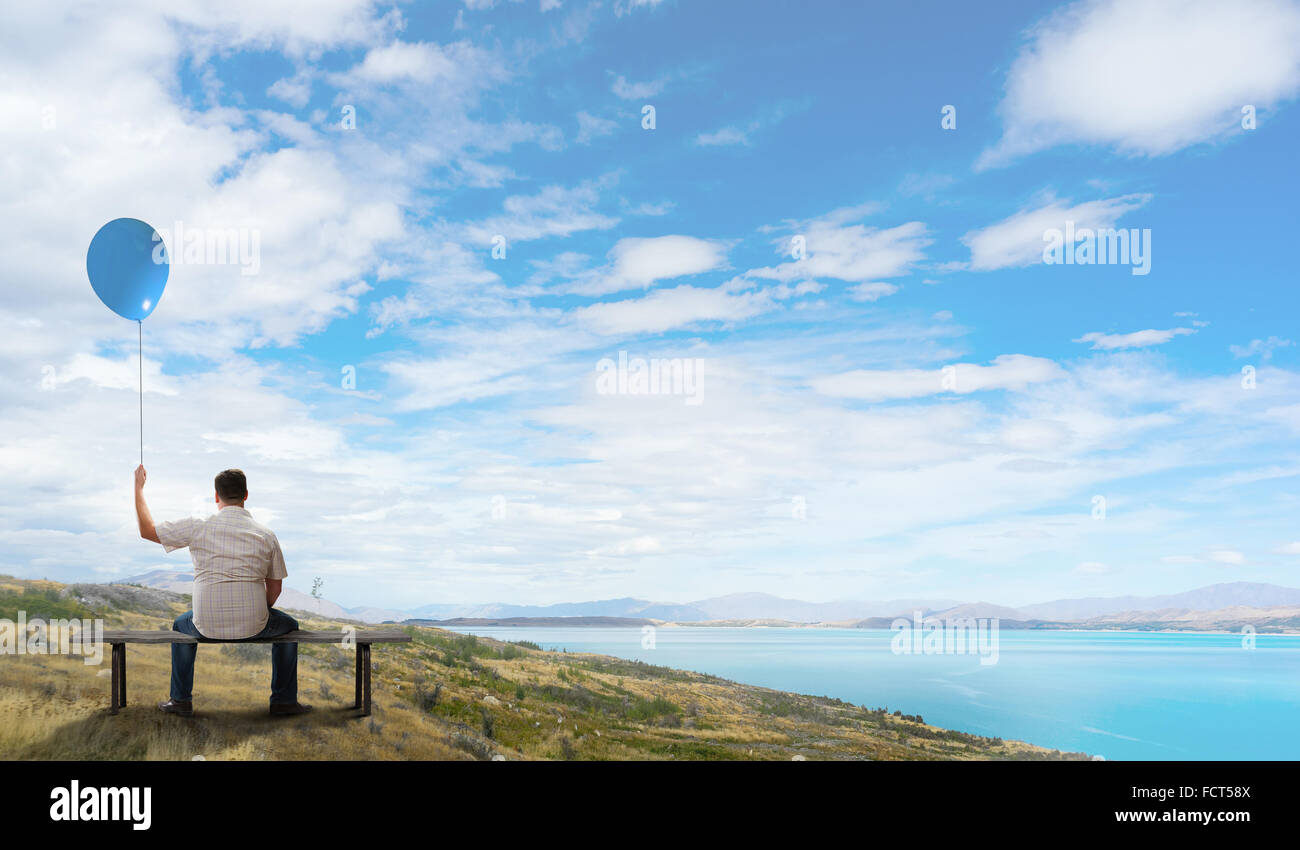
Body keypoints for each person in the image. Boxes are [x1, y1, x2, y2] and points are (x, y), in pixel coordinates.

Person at [133, 464, 312, 717]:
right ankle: (283, 702)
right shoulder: (266, 534)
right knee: (290, 626)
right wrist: (257, 611)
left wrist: (138, 487)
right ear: (246, 496)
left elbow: (146, 531)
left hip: (204, 622)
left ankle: (180, 701)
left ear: (216, 496)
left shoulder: (197, 525)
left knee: (180, 626)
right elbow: (275, 588)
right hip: (256, 624)